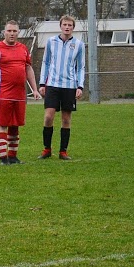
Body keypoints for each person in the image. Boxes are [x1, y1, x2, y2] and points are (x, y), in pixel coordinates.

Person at [0, 19, 40, 164]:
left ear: (18, 32)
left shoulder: (23, 49)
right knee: (2, 125)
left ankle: (13, 156)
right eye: (9, 31)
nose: (12, 33)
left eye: (14, 31)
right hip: (2, 94)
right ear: (4, 32)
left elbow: (28, 68)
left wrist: (34, 89)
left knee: (15, 125)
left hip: (19, 94)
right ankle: (3, 159)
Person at [37, 14, 85, 160]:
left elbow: (80, 67)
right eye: (65, 24)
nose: (67, 27)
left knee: (66, 119)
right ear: (60, 26)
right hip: (52, 85)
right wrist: (42, 83)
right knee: (48, 116)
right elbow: (45, 62)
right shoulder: (51, 42)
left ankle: (63, 151)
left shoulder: (79, 45)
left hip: (69, 86)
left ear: (73, 28)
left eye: (70, 25)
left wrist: (80, 86)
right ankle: (47, 149)